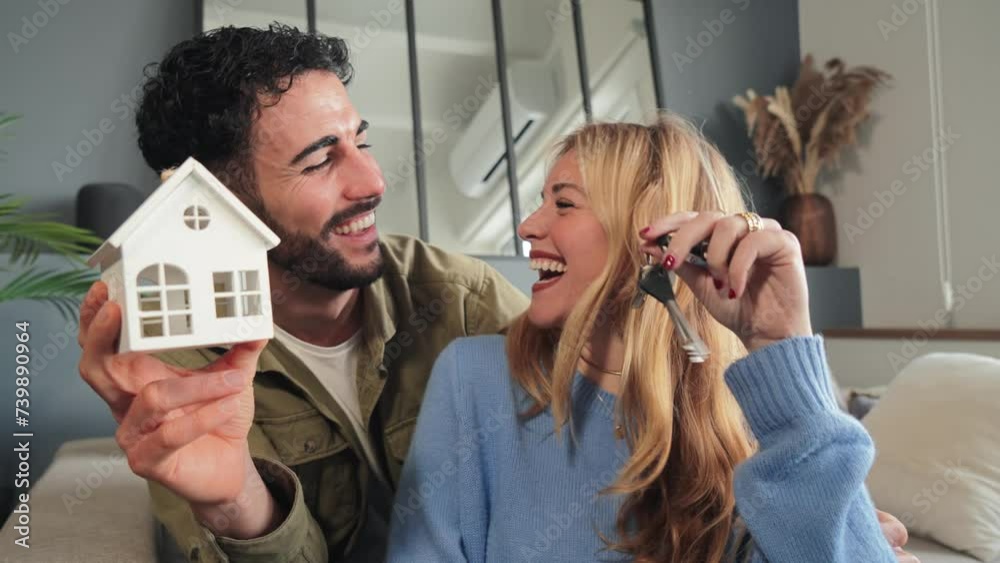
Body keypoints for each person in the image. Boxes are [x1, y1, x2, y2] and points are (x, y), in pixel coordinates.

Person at [75, 24, 914, 563]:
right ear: (217, 199)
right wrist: (235, 501)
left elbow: (602, 368)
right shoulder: (178, 362)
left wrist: (824, 476)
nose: (373, 179)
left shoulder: (463, 298)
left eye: (359, 142)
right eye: (320, 160)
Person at [386, 116, 914, 562]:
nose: (527, 226)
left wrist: (778, 341)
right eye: (540, 202)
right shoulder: (474, 378)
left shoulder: (754, 412)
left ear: (654, 236)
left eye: (563, 204)